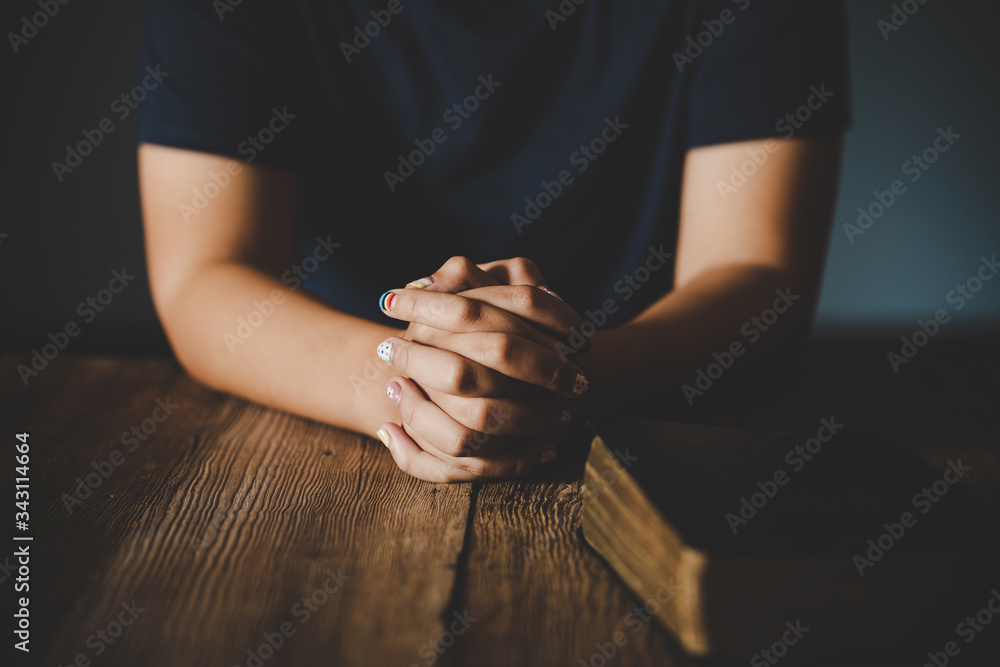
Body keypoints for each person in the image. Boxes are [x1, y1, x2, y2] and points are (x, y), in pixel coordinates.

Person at [137, 0, 850, 482]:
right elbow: (205, 275)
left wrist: (555, 380)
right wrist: (405, 386)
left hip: (655, 403)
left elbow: (757, 274)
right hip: (327, 395)